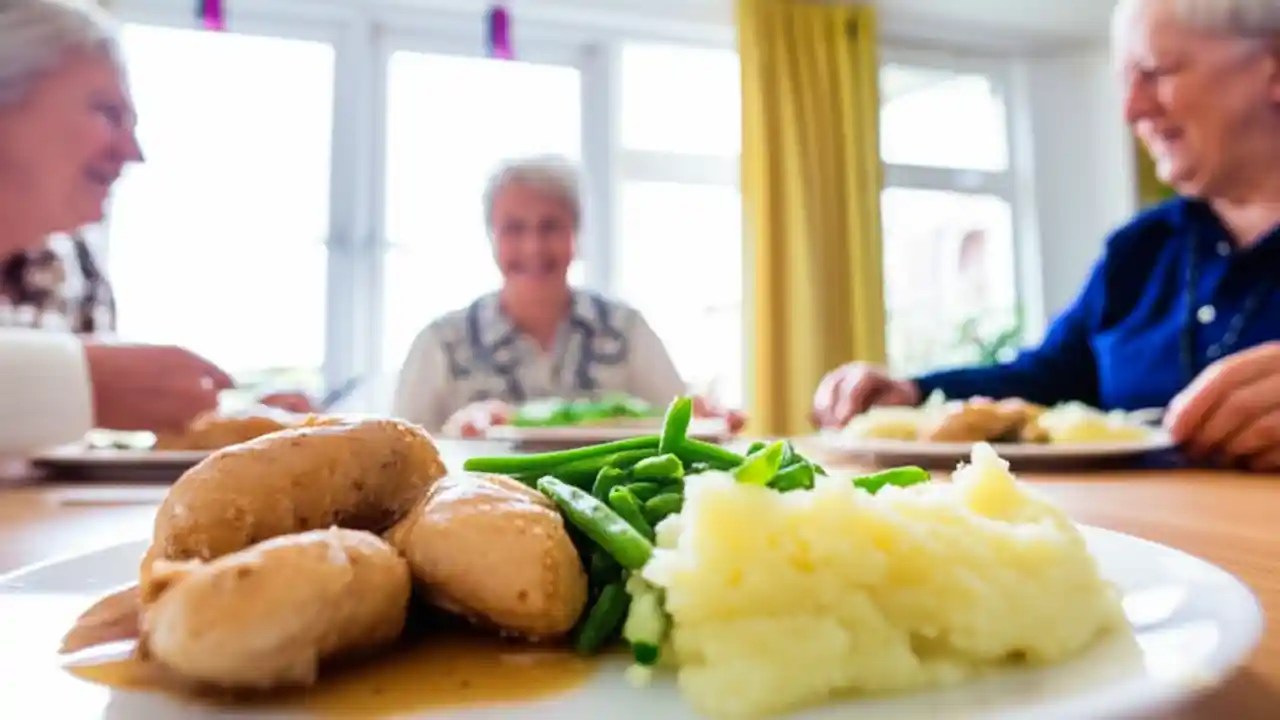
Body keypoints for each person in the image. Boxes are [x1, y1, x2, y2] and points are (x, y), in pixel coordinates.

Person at [813, 0, 1280, 471]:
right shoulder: (1142, 248)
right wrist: (912, 394)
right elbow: (1050, 376)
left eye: (1157, 71)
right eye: (1126, 82)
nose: (1132, 108)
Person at [0, 0, 296, 454]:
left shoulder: (68, 270)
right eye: (106, 112)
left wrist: (218, 415)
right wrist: (77, 382)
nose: (133, 151)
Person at [393, 155, 743, 435]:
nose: (533, 246)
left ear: (576, 234)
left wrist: (706, 417)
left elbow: (677, 422)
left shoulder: (625, 329)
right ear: (491, 236)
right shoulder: (441, 342)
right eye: (514, 228)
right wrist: (455, 433)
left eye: (551, 227)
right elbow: (400, 456)